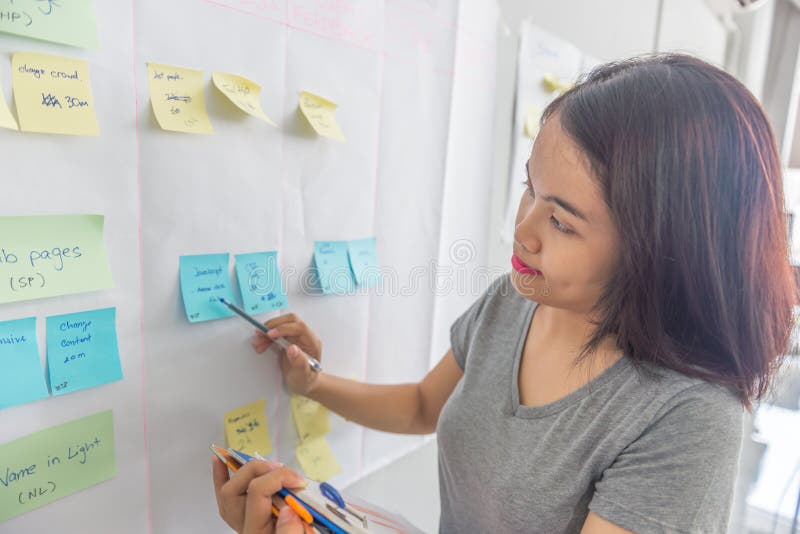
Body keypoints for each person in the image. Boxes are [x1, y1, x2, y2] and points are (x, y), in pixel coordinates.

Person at [215, 53, 798, 533]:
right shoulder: (515, 301)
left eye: (563, 222)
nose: (521, 232)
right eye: (529, 189)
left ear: (662, 250)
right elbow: (423, 405)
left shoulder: (687, 417)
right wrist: (312, 382)